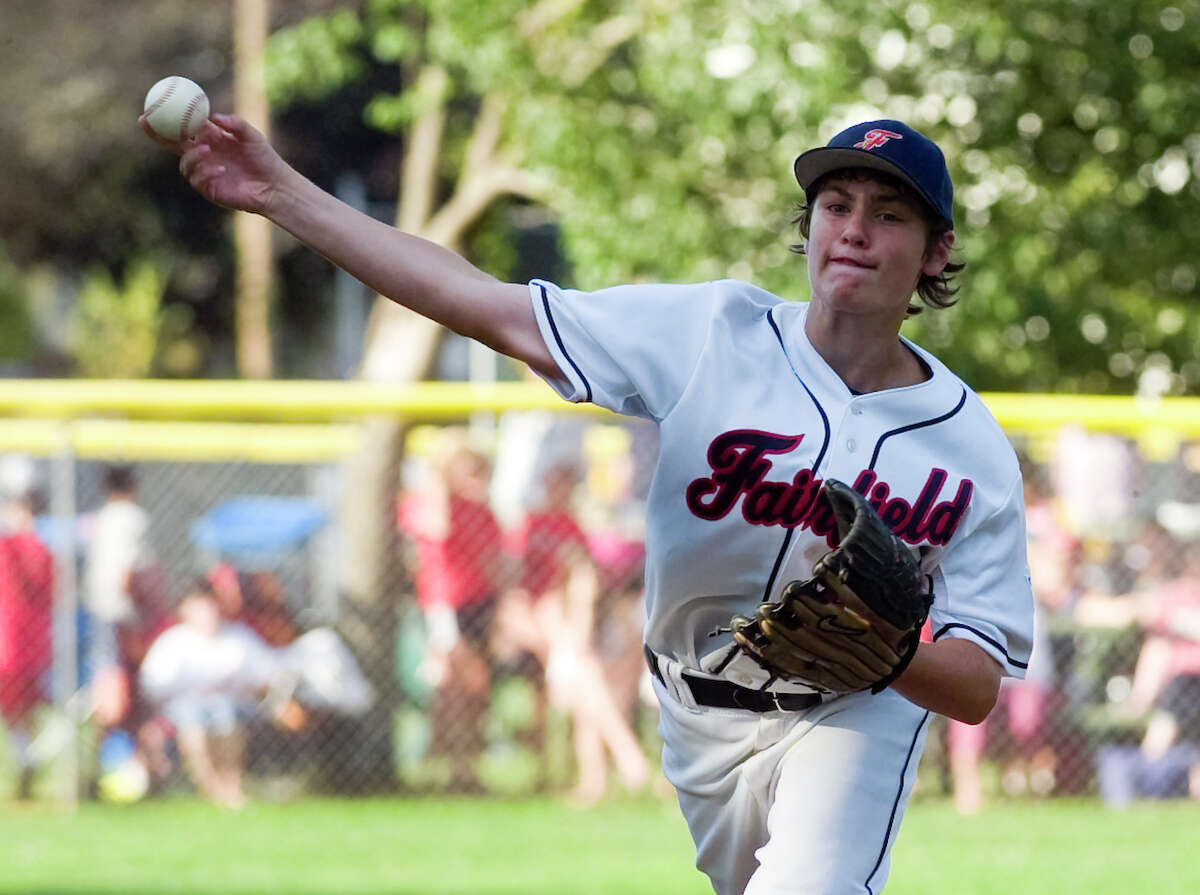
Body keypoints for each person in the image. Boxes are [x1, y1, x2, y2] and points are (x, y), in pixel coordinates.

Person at [145, 112, 1034, 893]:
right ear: (809, 226)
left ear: (937, 250)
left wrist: (880, 654)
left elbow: (976, 684)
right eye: (837, 206)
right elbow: (478, 304)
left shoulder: (969, 448)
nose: (855, 232)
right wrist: (280, 192)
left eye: (890, 215)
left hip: (854, 711)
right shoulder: (709, 333)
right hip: (696, 714)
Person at [397, 441, 510, 792]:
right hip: (444, 605)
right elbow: (437, 528)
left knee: (474, 688)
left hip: (479, 603)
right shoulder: (424, 503)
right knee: (453, 685)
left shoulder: (482, 511)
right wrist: (438, 485)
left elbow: (493, 560)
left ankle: (465, 767)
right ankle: (446, 764)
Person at [140, 578, 282, 808]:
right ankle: (211, 786)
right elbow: (153, 685)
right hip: (185, 709)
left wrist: (238, 686)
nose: (207, 614)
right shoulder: (173, 642)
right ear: (185, 611)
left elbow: (268, 675)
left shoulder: (239, 637)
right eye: (199, 608)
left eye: (210, 606)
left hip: (234, 707)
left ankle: (232, 784)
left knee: (225, 713)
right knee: (193, 719)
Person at [0, 481, 54, 800]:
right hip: (27, 644)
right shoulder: (38, 548)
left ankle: (25, 763)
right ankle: (25, 761)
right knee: (20, 711)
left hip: (15, 643)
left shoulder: (28, 548)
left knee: (20, 710)